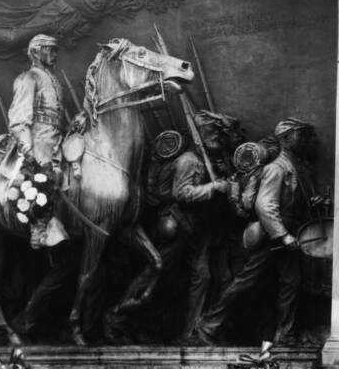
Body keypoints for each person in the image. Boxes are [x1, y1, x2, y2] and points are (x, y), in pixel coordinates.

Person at [104, 112, 245, 343]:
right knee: (155, 276)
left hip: (194, 232)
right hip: (176, 226)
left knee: (203, 277)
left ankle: (190, 333)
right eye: (215, 133)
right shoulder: (190, 161)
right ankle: (116, 317)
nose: (219, 138)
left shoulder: (211, 160)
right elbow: (182, 193)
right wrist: (214, 188)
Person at [195, 118, 318, 345]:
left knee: (291, 284)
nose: (305, 139)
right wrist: (282, 235)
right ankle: (208, 325)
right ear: (286, 138)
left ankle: (285, 334)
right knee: (246, 281)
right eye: (300, 134)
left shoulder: (297, 167)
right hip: (275, 238)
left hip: (292, 236)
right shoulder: (277, 168)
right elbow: (265, 205)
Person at [8, 33, 69, 249]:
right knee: (44, 176)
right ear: (35, 52)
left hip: (56, 137)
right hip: (38, 140)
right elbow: (18, 119)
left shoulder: (54, 80)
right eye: (49, 50)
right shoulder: (28, 78)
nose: (54, 54)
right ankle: (39, 228)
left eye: (55, 50)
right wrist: (28, 148)